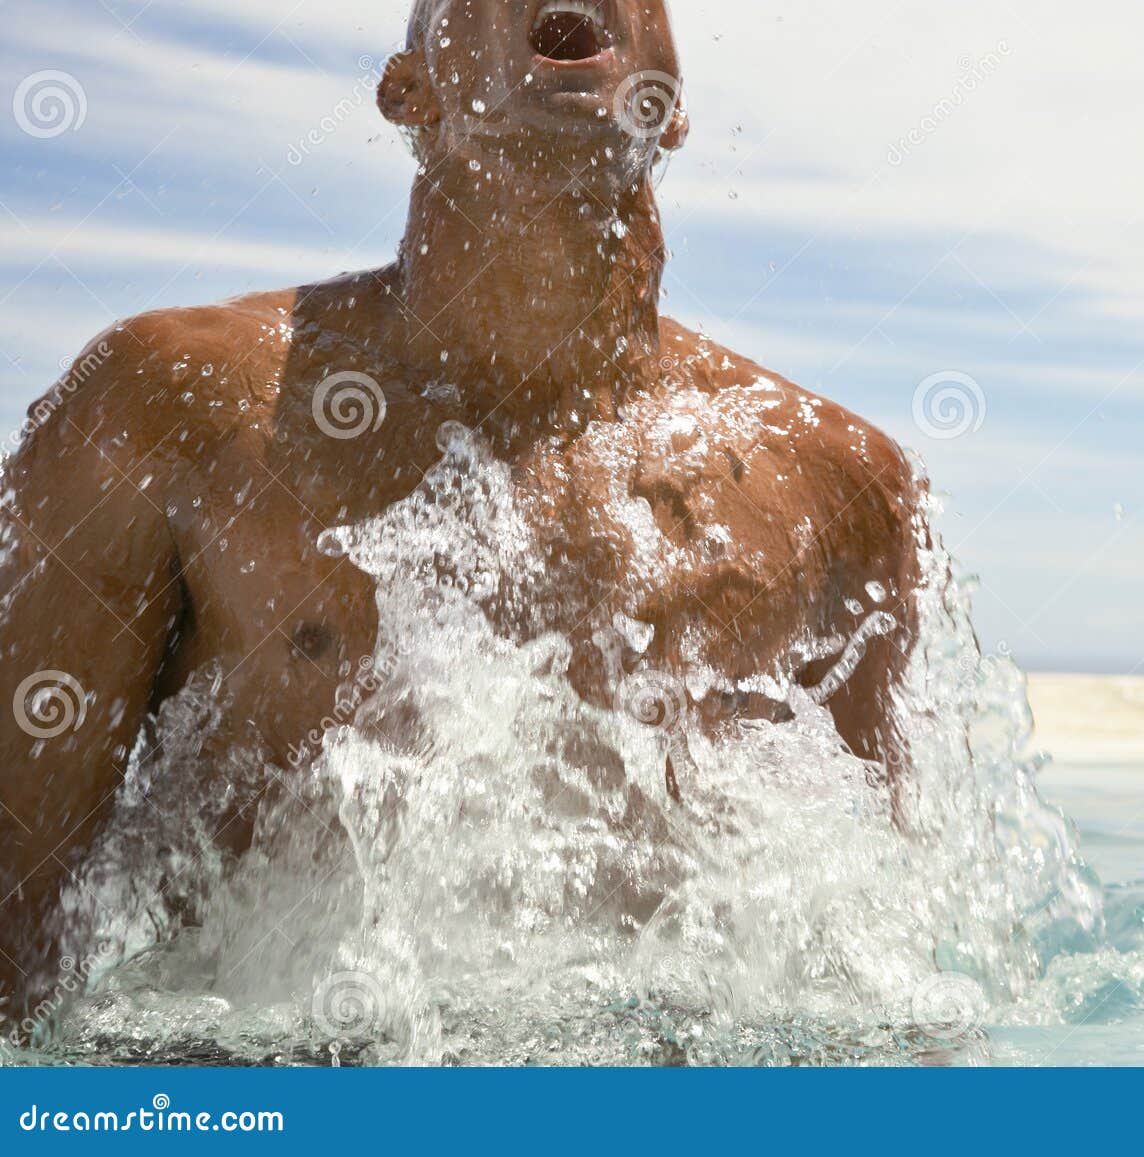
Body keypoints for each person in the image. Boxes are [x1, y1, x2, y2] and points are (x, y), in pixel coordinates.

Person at [0, 0, 922, 1017]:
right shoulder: (161, 405)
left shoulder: (840, 483)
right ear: (411, 92)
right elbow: (10, 918)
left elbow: (882, 972)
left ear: (671, 111)